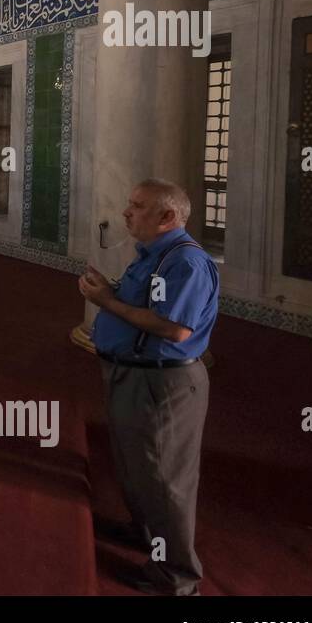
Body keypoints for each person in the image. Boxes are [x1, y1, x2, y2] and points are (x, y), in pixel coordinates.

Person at [78, 178, 219, 596]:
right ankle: (146, 534)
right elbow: (146, 305)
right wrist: (113, 290)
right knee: (137, 466)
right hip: (135, 374)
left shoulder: (186, 263)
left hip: (163, 384)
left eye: (137, 206)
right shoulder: (153, 255)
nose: (126, 212)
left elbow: (174, 328)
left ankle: (176, 577)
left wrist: (107, 301)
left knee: (163, 480)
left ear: (168, 217)